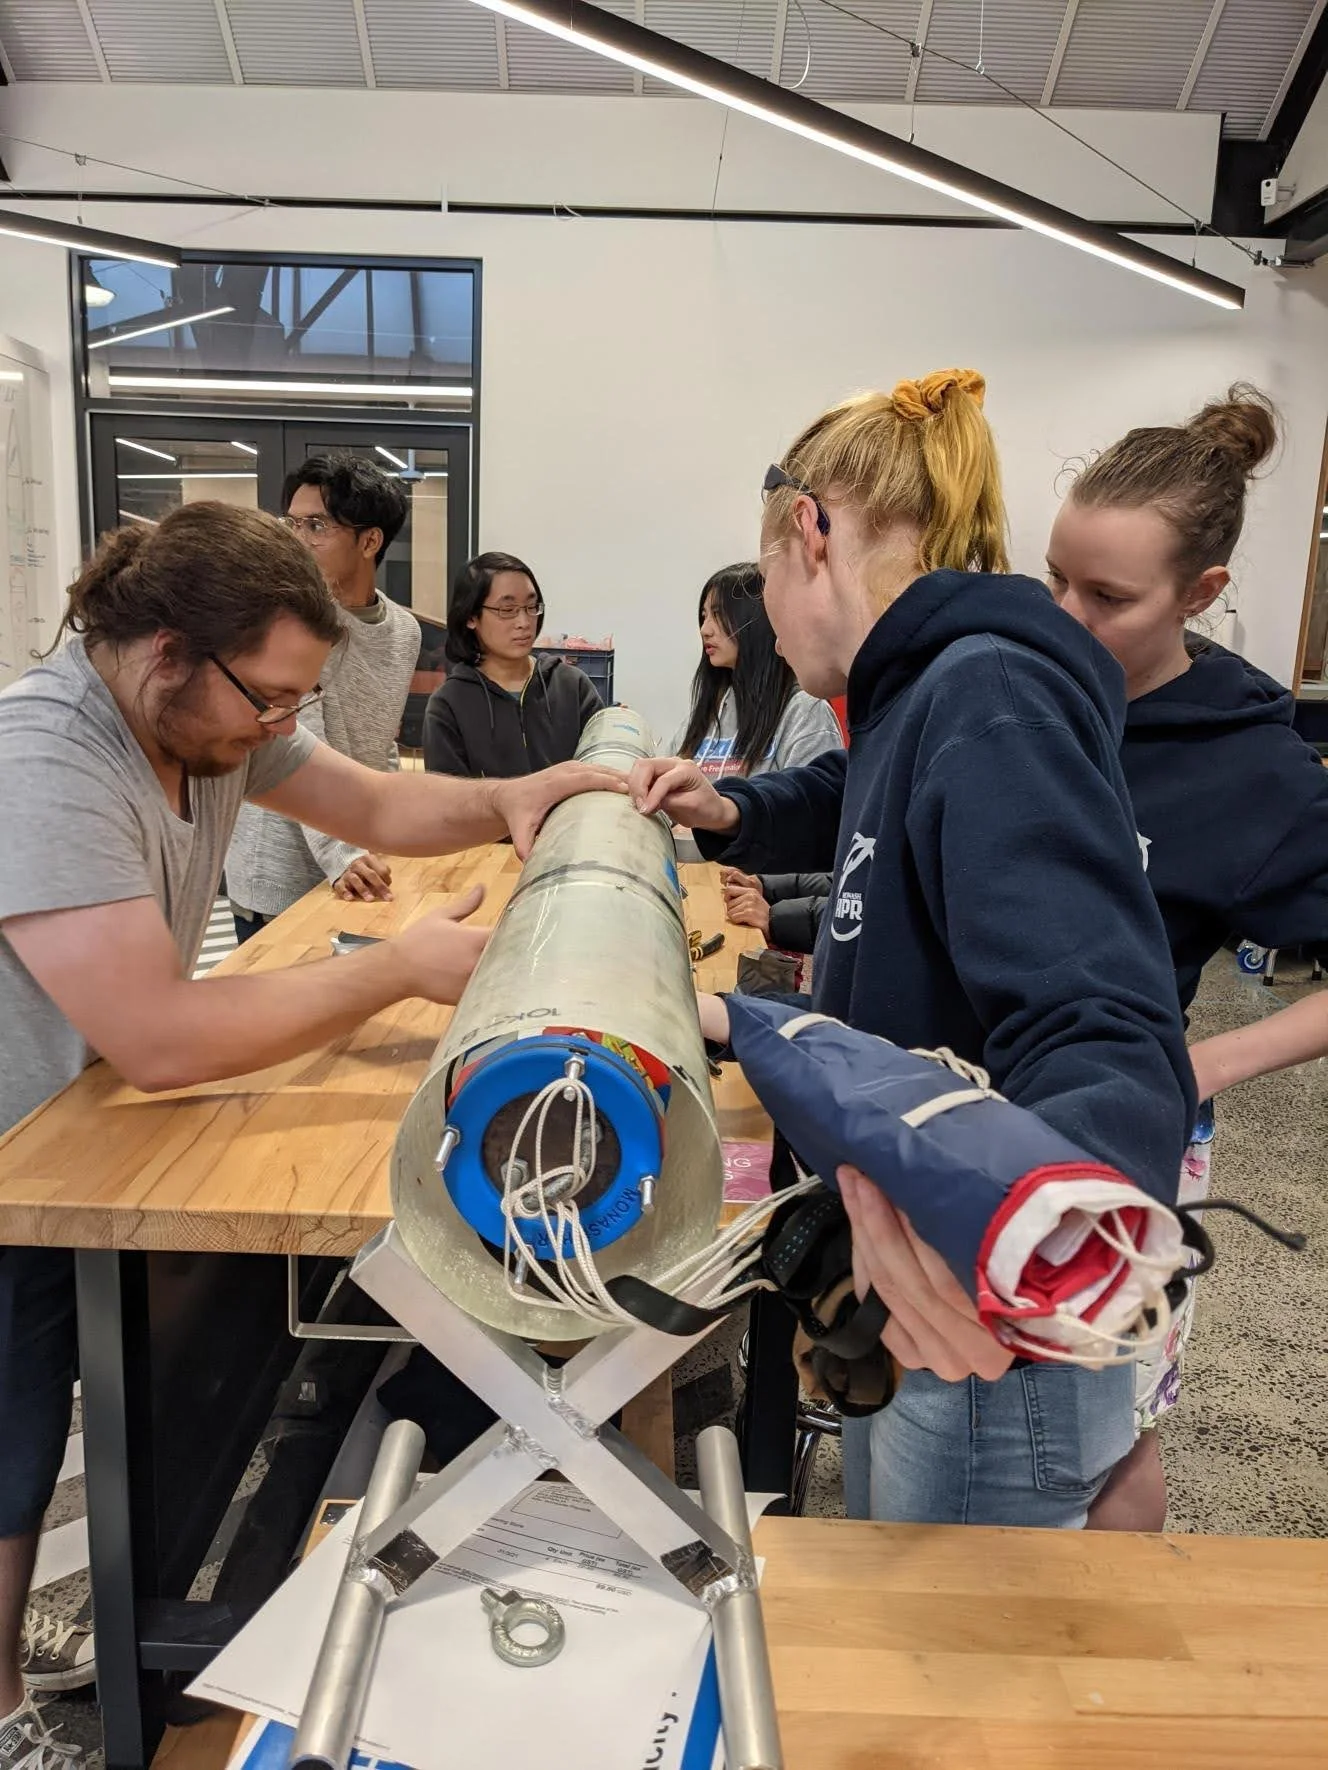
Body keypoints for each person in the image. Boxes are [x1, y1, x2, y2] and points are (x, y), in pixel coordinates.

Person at [0, 504, 620, 1759]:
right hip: (18, 1159)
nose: (280, 726)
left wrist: (518, 793)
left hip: (93, 1132)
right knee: (11, 1447)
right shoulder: (47, 762)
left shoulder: (213, 722)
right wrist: (395, 971)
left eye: (297, 699)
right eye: (270, 698)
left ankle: (128, 1637)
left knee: (144, 1384)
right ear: (167, 649)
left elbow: (382, 810)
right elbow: (160, 1036)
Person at [630, 368, 1194, 1530]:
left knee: (973, 1684)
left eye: (768, 586)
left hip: (979, 1330)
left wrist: (1014, 1249)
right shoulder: (925, 693)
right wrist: (737, 810)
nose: (768, 620)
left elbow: (1103, 1019)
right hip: (929, 1296)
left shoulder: (987, 696)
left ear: (808, 530)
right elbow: (866, 791)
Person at [1042, 385, 1328, 1530]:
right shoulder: (1027, 683)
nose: (1064, 617)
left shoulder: (1251, 772)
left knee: (1106, 1427)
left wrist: (1203, 1067)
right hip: (968, 1114)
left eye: (1104, 597)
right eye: (1051, 578)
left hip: (1121, 1145)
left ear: (1198, 595)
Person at [226, 453, 420, 938]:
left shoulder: (404, 630)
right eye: (291, 524)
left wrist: (387, 833)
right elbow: (298, 746)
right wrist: (344, 855)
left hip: (359, 862)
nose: (297, 540)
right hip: (281, 867)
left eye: (316, 526)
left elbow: (380, 744)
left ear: (370, 540)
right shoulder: (289, 625)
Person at [422, 552, 601, 776]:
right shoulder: (449, 705)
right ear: (471, 617)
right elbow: (448, 802)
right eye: (507, 610)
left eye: (531, 607)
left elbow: (600, 766)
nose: (524, 622)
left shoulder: (572, 686)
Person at [666, 563, 842, 776]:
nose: (705, 630)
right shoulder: (709, 712)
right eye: (704, 616)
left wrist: (729, 808)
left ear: (755, 621)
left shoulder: (805, 712)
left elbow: (816, 804)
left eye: (718, 614)